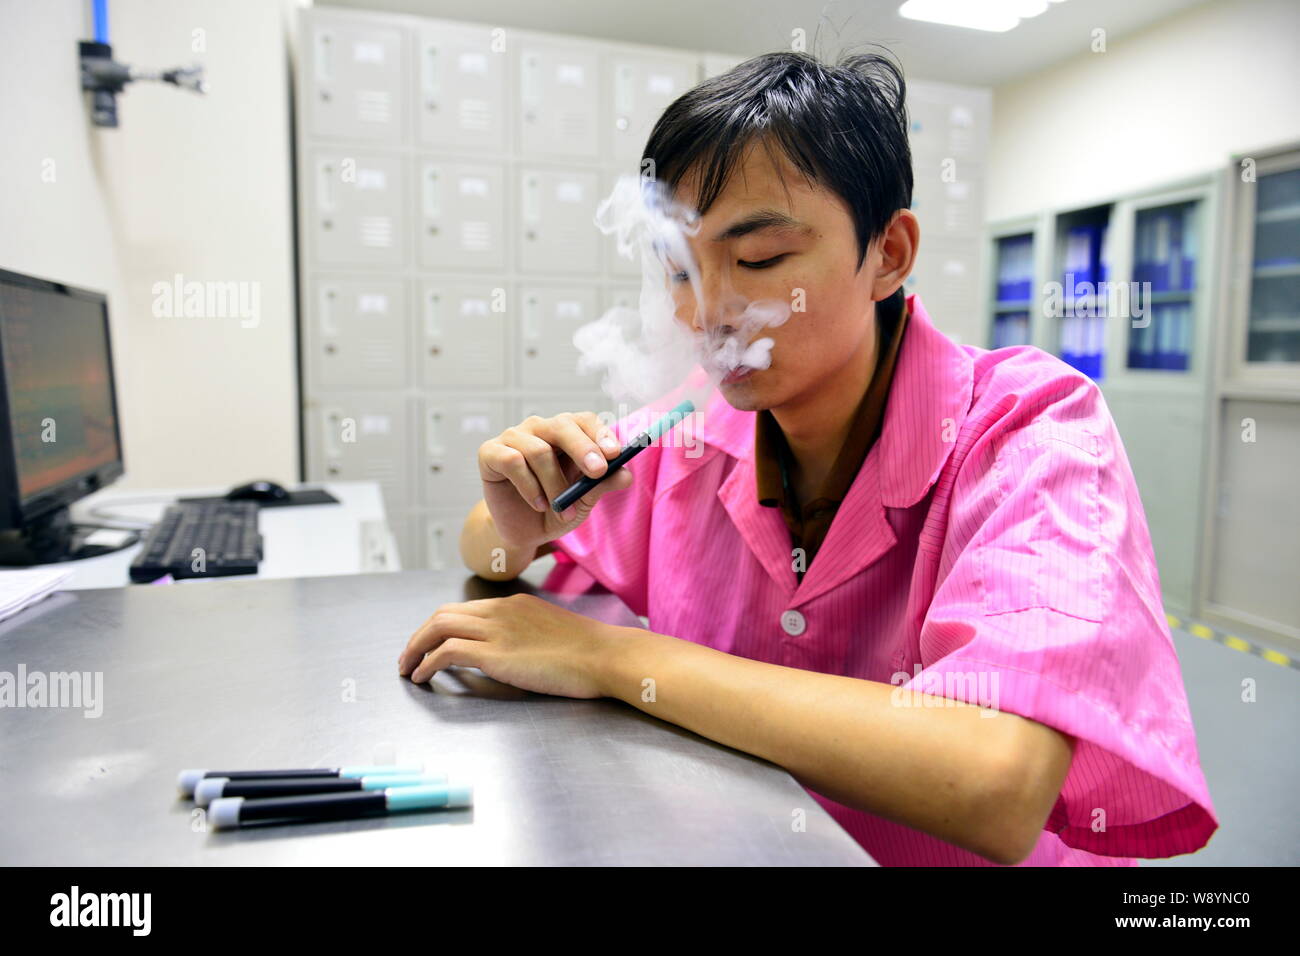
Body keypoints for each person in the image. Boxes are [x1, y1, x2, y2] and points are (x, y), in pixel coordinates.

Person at [398, 50, 1218, 866]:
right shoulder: (693, 426)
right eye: (680, 270)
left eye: (759, 260)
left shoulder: (1029, 430)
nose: (707, 313)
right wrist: (517, 524)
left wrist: (610, 657)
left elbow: (994, 781)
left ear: (888, 254)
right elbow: (489, 546)